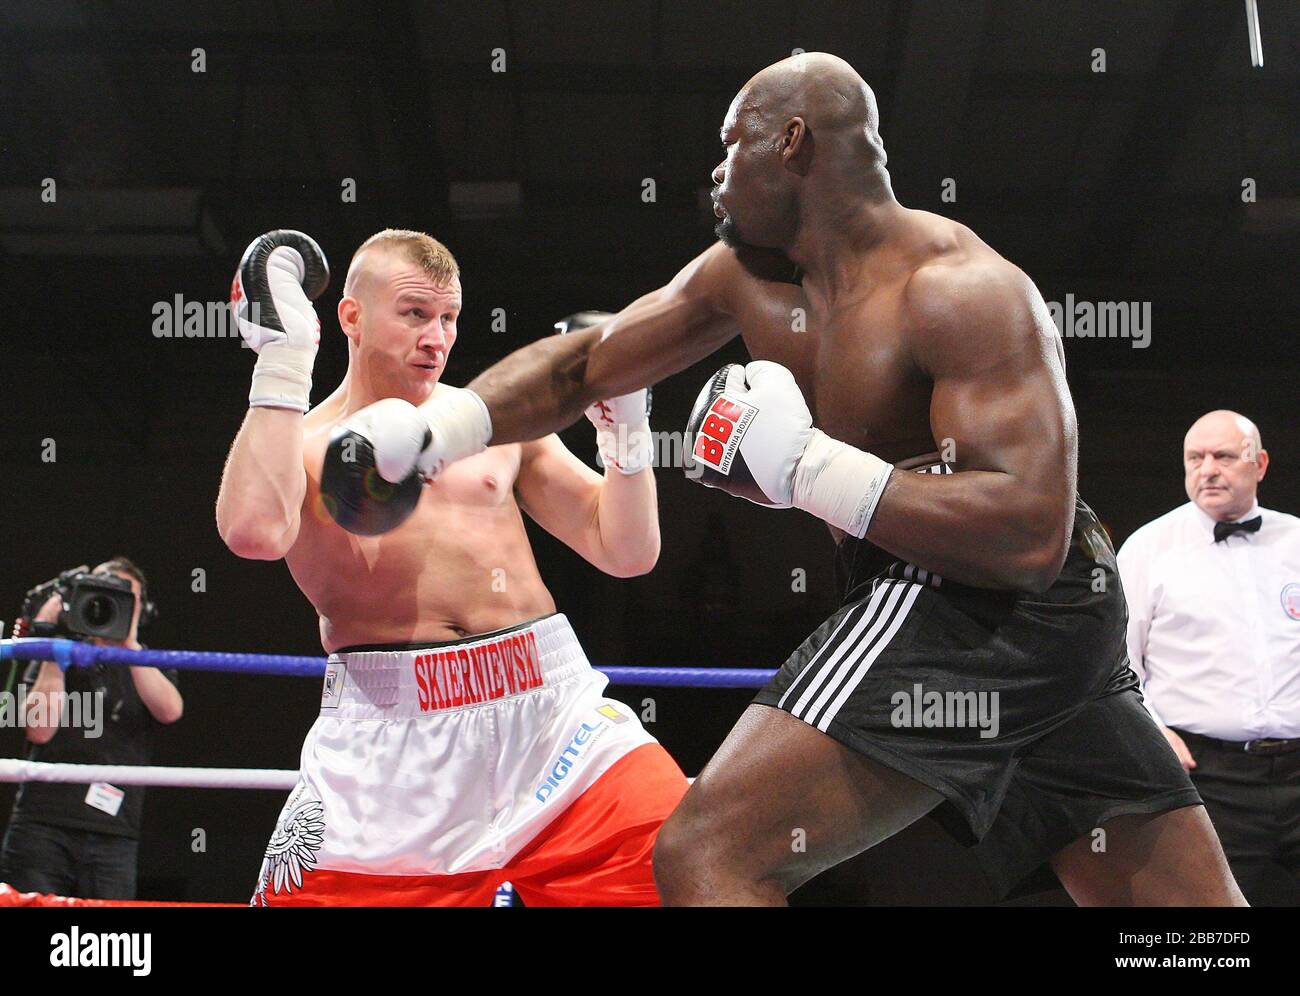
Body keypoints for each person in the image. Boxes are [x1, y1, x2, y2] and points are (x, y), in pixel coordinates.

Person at [329, 53, 1245, 906]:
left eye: (732, 143)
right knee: (1178, 911)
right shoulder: (746, 277)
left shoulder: (958, 288)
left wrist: (809, 469)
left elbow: (1029, 532)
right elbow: (586, 366)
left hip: (989, 598)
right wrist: (436, 429)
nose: (717, 173)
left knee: (708, 852)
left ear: (793, 141)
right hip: (1026, 627)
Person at [218, 228, 686, 906]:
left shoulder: (492, 423)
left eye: (449, 318)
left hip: (553, 718)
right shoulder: (307, 443)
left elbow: (627, 551)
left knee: (690, 863)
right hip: (390, 744)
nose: (436, 337)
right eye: (414, 314)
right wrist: (284, 357)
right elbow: (253, 531)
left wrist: (628, 435)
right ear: (350, 317)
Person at [1117, 409, 1300, 905]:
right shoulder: (1148, 549)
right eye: (1195, 458)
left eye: (1223, 456)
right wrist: (1153, 730)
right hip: (1209, 774)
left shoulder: (1296, 541)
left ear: (1259, 463)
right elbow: (1116, 664)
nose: (1208, 470)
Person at [0, 558, 182, 900]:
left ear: (142, 610)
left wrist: (129, 645)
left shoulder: (148, 661)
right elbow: (38, 731)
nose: (110, 601)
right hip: (43, 825)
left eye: (125, 595)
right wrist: (55, 643)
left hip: (114, 832)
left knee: (109, 944)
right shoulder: (55, 653)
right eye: (102, 589)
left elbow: (170, 710)